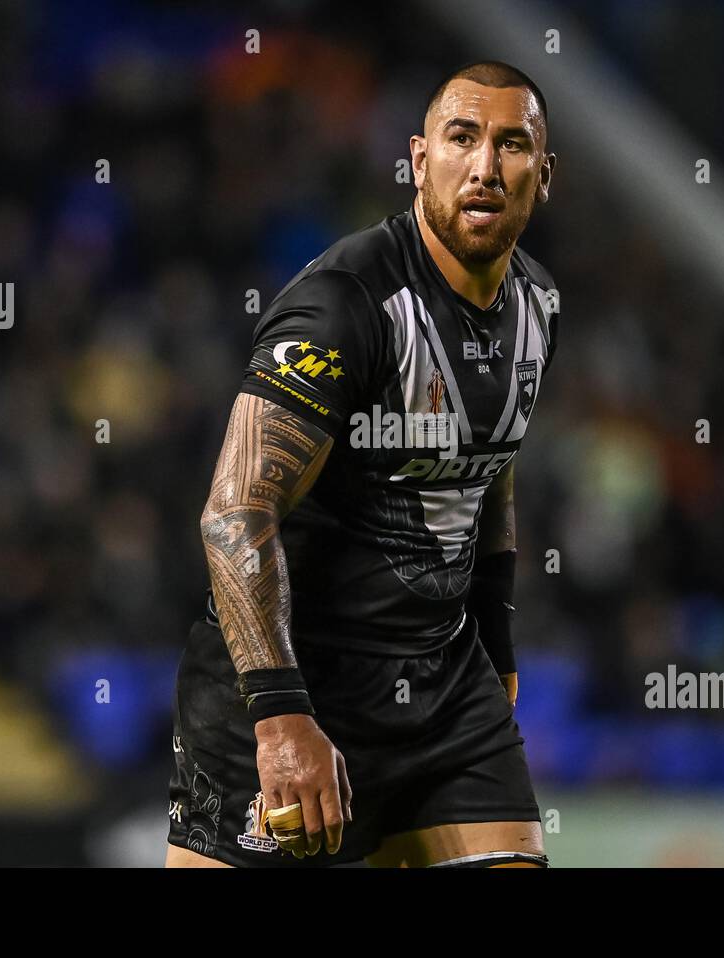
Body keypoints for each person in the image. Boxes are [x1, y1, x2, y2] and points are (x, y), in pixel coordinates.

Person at [167, 60, 559, 867]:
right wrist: (279, 720)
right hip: (292, 684)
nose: (485, 167)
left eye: (512, 145)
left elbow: (490, 467)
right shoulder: (345, 304)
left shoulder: (538, 305)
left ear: (542, 176)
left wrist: (497, 635)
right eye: (462, 139)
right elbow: (235, 512)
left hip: (443, 690)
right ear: (420, 161)